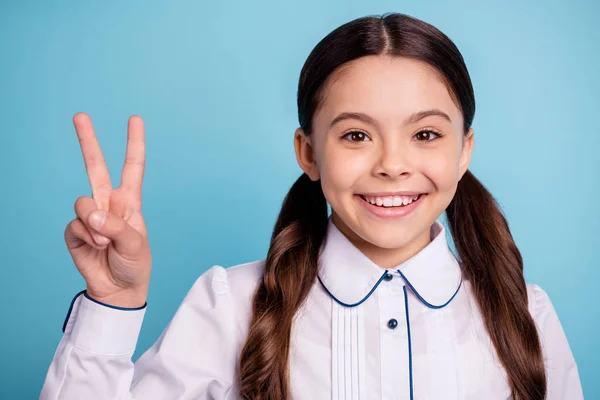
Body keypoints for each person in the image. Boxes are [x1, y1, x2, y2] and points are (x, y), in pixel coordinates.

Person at [40, 12, 583, 400]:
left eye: (425, 134)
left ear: (464, 150)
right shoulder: (231, 305)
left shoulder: (526, 315)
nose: (393, 164)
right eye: (355, 136)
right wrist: (114, 302)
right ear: (308, 152)